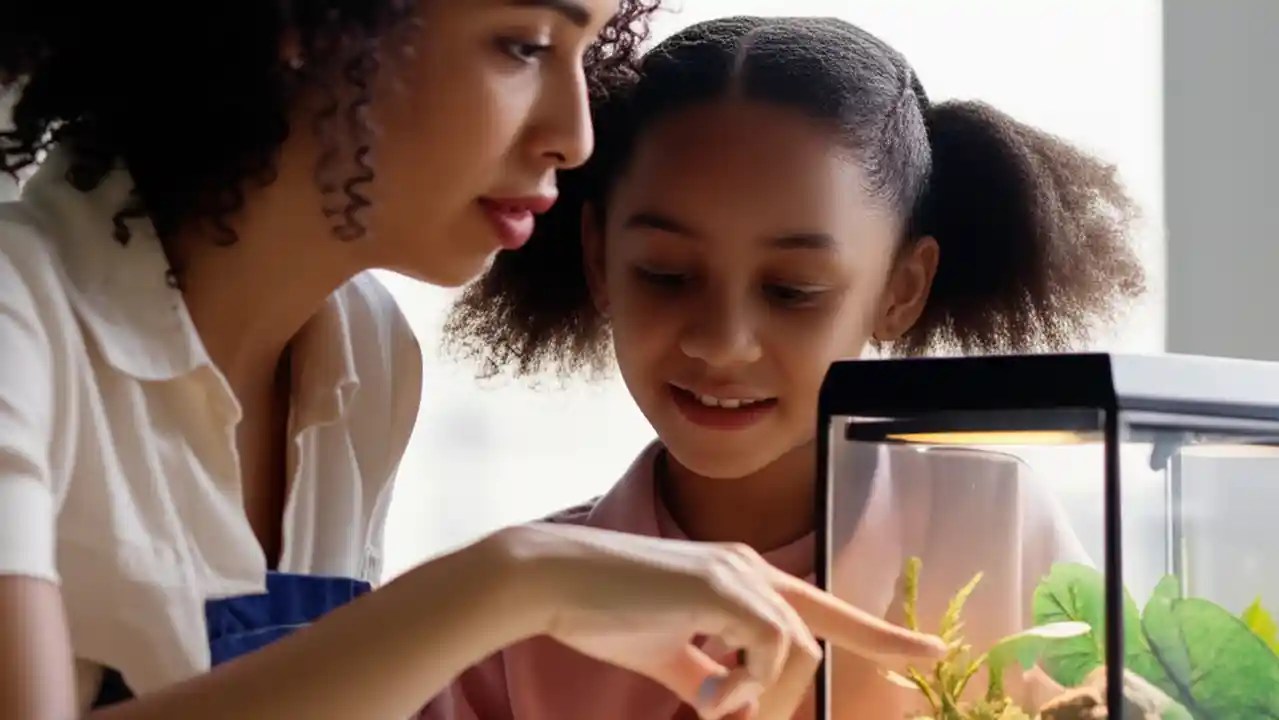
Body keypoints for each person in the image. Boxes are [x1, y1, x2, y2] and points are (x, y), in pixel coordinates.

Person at [0, 4, 949, 720]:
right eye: (525, 44)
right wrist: (513, 584)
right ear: (313, 20)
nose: (576, 135)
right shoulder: (19, 319)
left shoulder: (363, 354)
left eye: (588, 52)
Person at [432, 14, 1146, 720]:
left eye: (792, 291)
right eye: (666, 274)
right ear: (599, 260)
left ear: (901, 289)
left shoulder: (992, 522)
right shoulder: (519, 611)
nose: (722, 343)